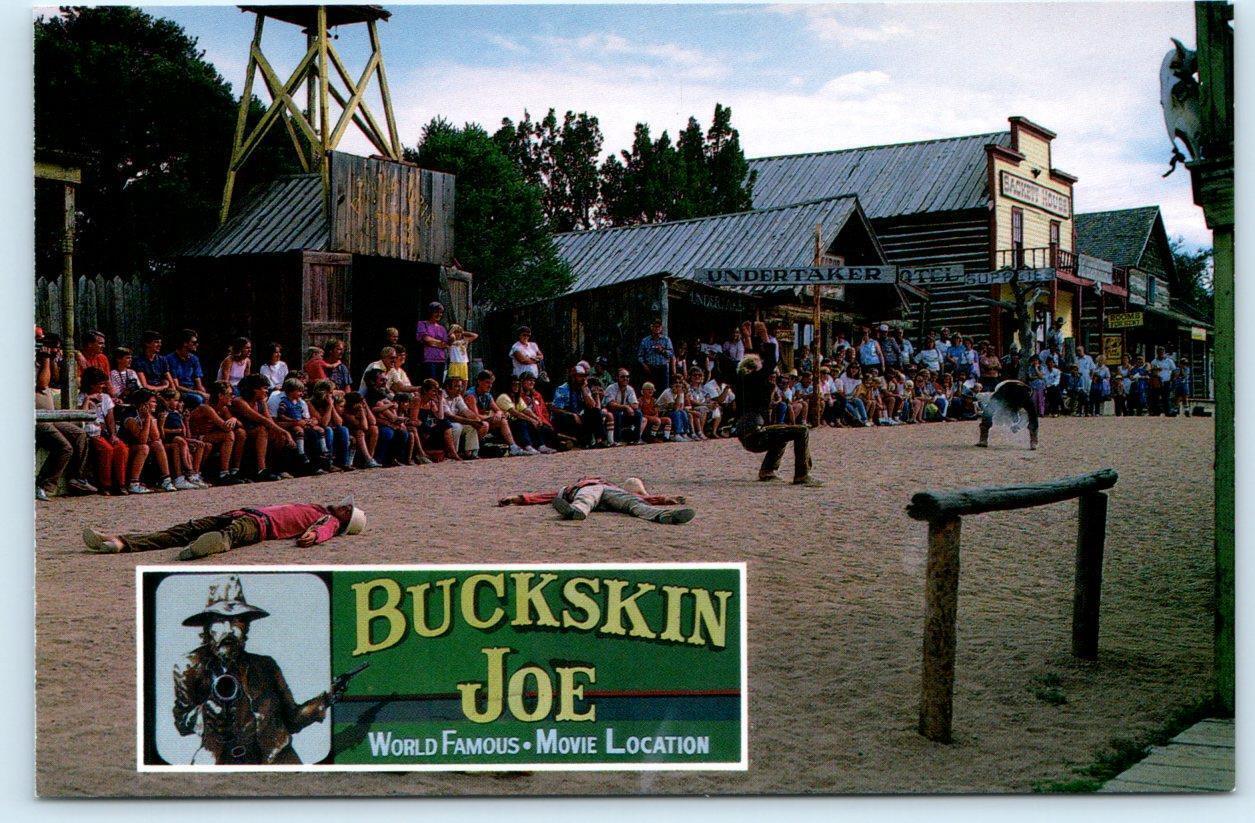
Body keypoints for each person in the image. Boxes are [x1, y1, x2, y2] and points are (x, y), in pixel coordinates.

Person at [83, 497, 361, 561]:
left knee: (226, 533)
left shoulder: (331, 521)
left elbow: (324, 531)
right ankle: (119, 541)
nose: (343, 507)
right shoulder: (321, 510)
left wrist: (312, 536)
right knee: (183, 529)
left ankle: (205, 547)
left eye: (347, 510)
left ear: (345, 520)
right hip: (245, 514)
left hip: (258, 523)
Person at [735, 322, 823, 486]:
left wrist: (747, 337)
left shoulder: (742, 379)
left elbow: (750, 361)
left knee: (781, 433)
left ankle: (768, 470)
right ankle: (802, 475)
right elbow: (769, 359)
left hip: (745, 433)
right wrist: (764, 335)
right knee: (801, 430)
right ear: (756, 369)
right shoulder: (757, 378)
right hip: (755, 432)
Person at [537, 476, 695, 525]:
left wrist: (665, 499)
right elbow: (545, 496)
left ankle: (662, 515)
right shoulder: (577, 486)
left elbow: (640, 497)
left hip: (609, 494)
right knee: (588, 496)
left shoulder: (609, 485)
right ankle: (577, 511)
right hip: (590, 493)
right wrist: (516, 499)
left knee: (634, 501)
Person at [230, 374, 297, 482]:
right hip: (242, 430)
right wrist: (285, 432)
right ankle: (261, 469)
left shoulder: (261, 402)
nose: (267, 391)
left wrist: (282, 433)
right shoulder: (239, 401)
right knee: (263, 429)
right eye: (264, 388)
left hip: (256, 431)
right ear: (254, 389)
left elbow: (269, 419)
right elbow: (261, 419)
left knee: (276, 434)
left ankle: (277, 468)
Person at [78, 367, 129, 496]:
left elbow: (110, 419)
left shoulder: (105, 397)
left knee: (121, 448)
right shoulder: (81, 397)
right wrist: (88, 399)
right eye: (100, 384)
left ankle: (120, 484)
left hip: (103, 431)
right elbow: (82, 416)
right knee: (107, 450)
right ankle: (105, 484)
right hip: (91, 431)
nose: (103, 386)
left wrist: (113, 435)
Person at [189, 381, 247, 484]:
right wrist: (232, 421)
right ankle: (224, 473)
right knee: (229, 435)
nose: (232, 397)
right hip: (195, 437)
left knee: (240, 433)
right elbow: (225, 427)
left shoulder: (223, 408)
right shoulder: (206, 408)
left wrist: (233, 419)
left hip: (208, 436)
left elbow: (240, 425)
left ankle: (235, 469)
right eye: (230, 394)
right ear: (220, 395)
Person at [121, 389, 177, 493]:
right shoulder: (131, 417)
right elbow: (142, 440)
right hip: (128, 446)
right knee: (144, 447)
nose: (155, 404)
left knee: (157, 444)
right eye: (153, 402)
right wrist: (147, 418)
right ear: (144, 403)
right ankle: (134, 483)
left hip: (139, 445)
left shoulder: (148, 415)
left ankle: (166, 480)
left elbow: (156, 437)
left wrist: (150, 418)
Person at [465, 370, 529, 456]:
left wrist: (498, 414)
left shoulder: (487, 395)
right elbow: (475, 416)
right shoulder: (471, 395)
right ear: (479, 382)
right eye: (487, 382)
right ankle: (474, 449)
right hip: (470, 422)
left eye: (491, 383)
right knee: (484, 425)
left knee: (502, 420)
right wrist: (491, 416)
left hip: (484, 419)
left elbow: (498, 410)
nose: (490, 386)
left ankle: (513, 447)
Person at [274, 378, 327, 475]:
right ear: (290, 391)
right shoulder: (283, 401)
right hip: (290, 424)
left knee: (316, 432)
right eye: (298, 391)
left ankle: (321, 455)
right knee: (299, 432)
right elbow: (280, 416)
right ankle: (300, 453)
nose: (301, 393)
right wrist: (294, 421)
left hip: (301, 422)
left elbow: (305, 415)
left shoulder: (300, 402)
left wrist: (309, 421)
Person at [158, 388, 208, 489]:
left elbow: (185, 434)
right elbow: (161, 433)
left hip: (180, 438)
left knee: (199, 444)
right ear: (167, 400)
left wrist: (185, 420)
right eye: (176, 400)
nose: (179, 403)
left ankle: (195, 475)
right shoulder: (164, 414)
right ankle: (189, 471)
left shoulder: (177, 414)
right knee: (181, 441)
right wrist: (174, 431)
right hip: (169, 439)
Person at [551, 365, 609, 448]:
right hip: (566, 417)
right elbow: (555, 409)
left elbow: (592, 405)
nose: (583, 379)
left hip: (579, 416)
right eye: (580, 376)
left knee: (595, 411)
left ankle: (599, 440)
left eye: (585, 376)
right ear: (573, 377)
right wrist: (572, 414)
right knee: (565, 417)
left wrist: (583, 389)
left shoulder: (584, 388)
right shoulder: (563, 389)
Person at [976, 379, 1039, 450]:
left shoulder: (1026, 398)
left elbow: (1033, 417)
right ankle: (983, 438)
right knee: (988, 412)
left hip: (1017, 393)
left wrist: (1018, 426)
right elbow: (988, 412)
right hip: (1004, 390)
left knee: (1032, 415)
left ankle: (1034, 440)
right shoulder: (1000, 395)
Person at [307, 379, 353, 471]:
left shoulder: (331, 401)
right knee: (328, 430)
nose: (332, 395)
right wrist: (329, 407)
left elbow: (339, 422)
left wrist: (331, 406)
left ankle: (344, 462)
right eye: (330, 392)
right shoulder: (310, 403)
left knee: (343, 429)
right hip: (319, 429)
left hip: (332, 426)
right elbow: (323, 423)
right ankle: (328, 463)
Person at [443, 376, 485, 458]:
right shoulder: (442, 396)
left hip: (453, 421)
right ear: (448, 387)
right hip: (443, 423)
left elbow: (466, 411)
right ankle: (453, 453)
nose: (460, 389)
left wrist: (477, 420)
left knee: (471, 426)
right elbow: (450, 416)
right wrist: (471, 421)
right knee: (457, 426)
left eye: (461, 386)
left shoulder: (458, 396)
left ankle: (470, 453)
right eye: (457, 386)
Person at [166, 329, 208, 403]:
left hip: (193, 389)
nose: (197, 344)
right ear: (185, 343)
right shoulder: (170, 359)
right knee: (198, 399)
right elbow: (177, 386)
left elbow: (198, 382)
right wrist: (198, 392)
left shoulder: (194, 359)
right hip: (180, 391)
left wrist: (204, 393)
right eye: (194, 342)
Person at [604, 368, 644, 445]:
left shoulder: (630, 389)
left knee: (638, 413)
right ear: (617, 378)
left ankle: (636, 439)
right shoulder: (611, 388)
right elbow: (611, 405)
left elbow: (635, 405)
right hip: (610, 411)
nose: (625, 378)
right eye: (622, 377)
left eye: (627, 376)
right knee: (617, 413)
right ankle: (617, 440)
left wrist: (626, 407)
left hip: (623, 411)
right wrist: (626, 407)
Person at [414, 302, 449, 382]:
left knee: (439, 384)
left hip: (441, 360)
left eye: (441, 313)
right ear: (430, 312)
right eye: (436, 312)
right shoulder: (422, 324)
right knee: (430, 383)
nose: (439, 314)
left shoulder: (442, 328)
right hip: (428, 360)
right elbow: (426, 340)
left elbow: (445, 344)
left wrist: (433, 342)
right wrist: (439, 343)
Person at [637, 319, 675, 391]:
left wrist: (662, 350)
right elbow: (640, 356)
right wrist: (644, 365)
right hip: (650, 368)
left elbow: (671, 354)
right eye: (655, 326)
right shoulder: (645, 340)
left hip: (662, 368)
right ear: (651, 327)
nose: (656, 328)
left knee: (663, 390)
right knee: (650, 389)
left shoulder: (666, 340)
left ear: (661, 328)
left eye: (658, 327)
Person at [1149, 346, 1176, 416]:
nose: (1161, 353)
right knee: (1156, 397)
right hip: (1157, 381)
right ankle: (1156, 412)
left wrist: (1172, 380)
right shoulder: (1154, 361)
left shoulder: (1169, 361)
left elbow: (1174, 371)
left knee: (1166, 397)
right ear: (1157, 353)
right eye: (1159, 352)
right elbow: (1151, 372)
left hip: (1166, 381)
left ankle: (1168, 412)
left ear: (1164, 352)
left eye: (1162, 352)